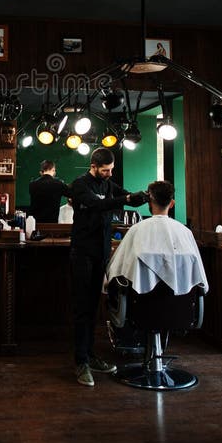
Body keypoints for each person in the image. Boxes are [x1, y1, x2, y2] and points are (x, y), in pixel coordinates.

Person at [69, 147, 148, 387]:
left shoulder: (108, 185)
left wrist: (143, 196)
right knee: (82, 308)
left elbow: (124, 195)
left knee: (93, 307)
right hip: (82, 253)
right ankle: (80, 362)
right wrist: (126, 200)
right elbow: (96, 205)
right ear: (93, 166)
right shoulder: (79, 185)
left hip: (100, 253)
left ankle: (90, 355)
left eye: (111, 170)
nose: (109, 174)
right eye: (105, 170)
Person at [106, 179, 208, 298]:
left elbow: (115, 270)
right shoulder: (186, 232)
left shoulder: (136, 229)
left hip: (142, 303)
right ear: (172, 203)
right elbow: (201, 280)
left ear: (149, 203)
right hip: (182, 305)